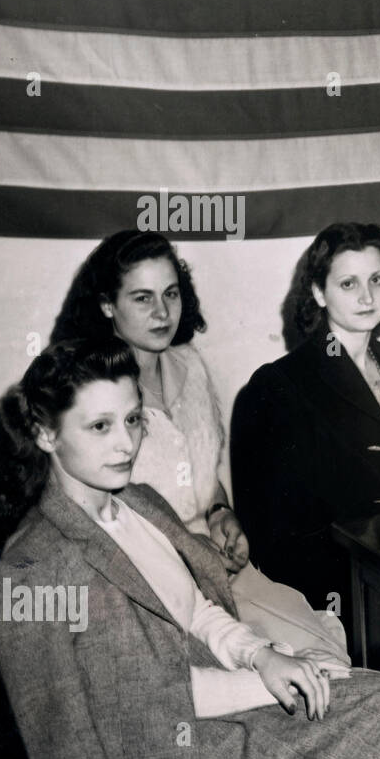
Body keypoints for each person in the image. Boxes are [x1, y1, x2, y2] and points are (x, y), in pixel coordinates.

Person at [0, 338, 380, 759]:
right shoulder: (29, 575)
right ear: (45, 433)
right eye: (99, 427)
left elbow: (197, 610)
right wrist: (265, 681)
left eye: (133, 419)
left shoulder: (140, 504)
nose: (125, 444)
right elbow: (82, 758)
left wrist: (263, 653)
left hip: (219, 710)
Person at [230, 223, 380, 648]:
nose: (367, 297)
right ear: (319, 293)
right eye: (348, 283)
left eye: (376, 280)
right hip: (354, 576)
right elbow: (279, 536)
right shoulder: (279, 386)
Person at [49, 231, 248, 568]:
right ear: (107, 304)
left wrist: (219, 512)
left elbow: (203, 476)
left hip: (214, 564)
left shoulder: (192, 365)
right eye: (143, 298)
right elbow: (84, 517)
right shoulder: (88, 389)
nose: (163, 312)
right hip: (136, 577)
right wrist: (185, 546)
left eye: (170, 294)